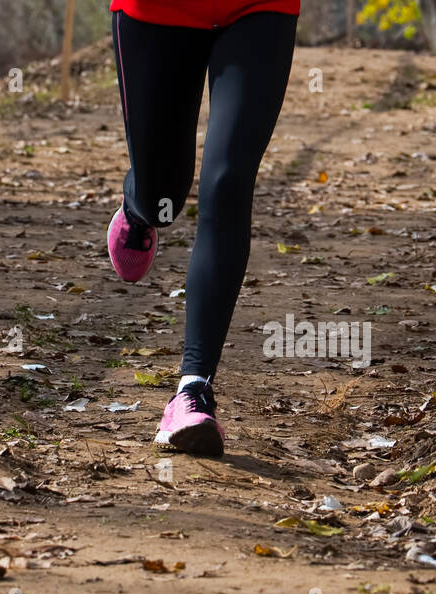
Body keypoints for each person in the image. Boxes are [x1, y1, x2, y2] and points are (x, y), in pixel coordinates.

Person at [106, 0, 299, 456]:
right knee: (163, 197)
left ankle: (192, 390)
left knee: (228, 180)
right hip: (155, 12)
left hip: (257, 9)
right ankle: (140, 209)